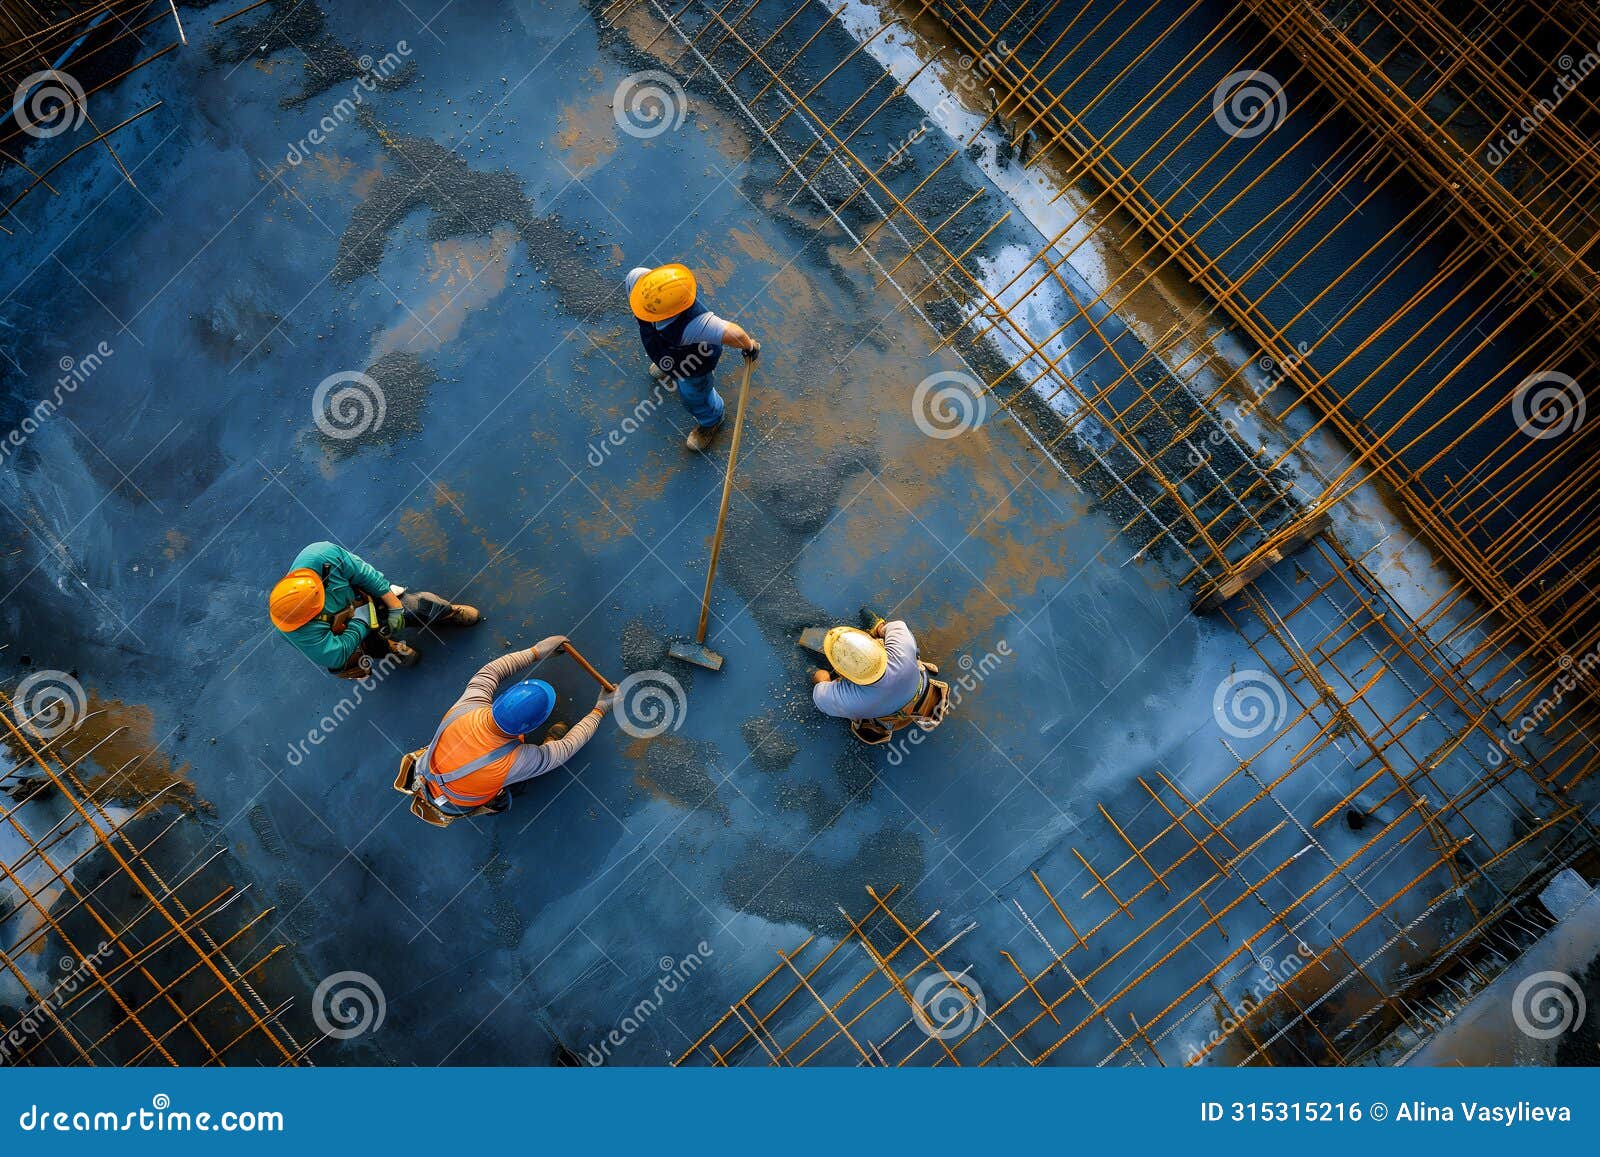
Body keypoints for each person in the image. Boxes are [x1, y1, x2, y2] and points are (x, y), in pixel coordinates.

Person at [395, 636, 616, 825]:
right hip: (455, 804)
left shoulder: (468, 707)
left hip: (425, 774)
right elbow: (564, 749)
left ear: (499, 700)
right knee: (516, 785)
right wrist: (600, 710)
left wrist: (536, 650)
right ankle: (496, 798)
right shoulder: (512, 762)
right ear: (532, 727)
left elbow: (491, 671)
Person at [268, 541, 480, 679]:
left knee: (421, 605)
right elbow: (336, 654)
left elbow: (363, 573)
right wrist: (361, 624)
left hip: (367, 600)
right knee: (361, 653)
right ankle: (387, 647)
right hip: (348, 632)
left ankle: (446, 613)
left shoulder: (320, 555)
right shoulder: (293, 626)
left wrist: (395, 606)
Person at [626, 263, 760, 451]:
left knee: (694, 395)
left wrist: (749, 346)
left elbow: (731, 333)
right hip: (668, 351)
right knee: (665, 357)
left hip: (693, 363)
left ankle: (712, 419)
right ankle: (667, 366)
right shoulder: (640, 283)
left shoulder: (695, 325)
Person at [811, 614, 949, 745]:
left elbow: (820, 685)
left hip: (888, 717)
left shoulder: (852, 701)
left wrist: (820, 675)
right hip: (920, 688)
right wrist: (878, 629)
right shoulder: (901, 641)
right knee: (910, 652)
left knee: (860, 720)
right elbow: (893, 627)